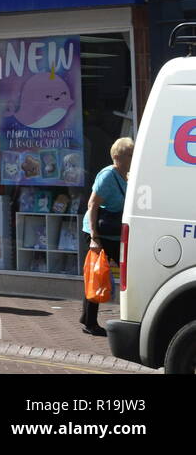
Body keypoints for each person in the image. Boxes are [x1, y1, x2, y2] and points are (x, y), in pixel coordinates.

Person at [82, 137, 133, 336]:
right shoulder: (107, 176)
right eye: (130, 154)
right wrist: (94, 237)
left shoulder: (126, 175)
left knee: (100, 274)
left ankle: (86, 317)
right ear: (118, 157)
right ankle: (90, 323)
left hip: (114, 233)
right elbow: (92, 205)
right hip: (99, 233)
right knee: (98, 274)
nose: (132, 157)